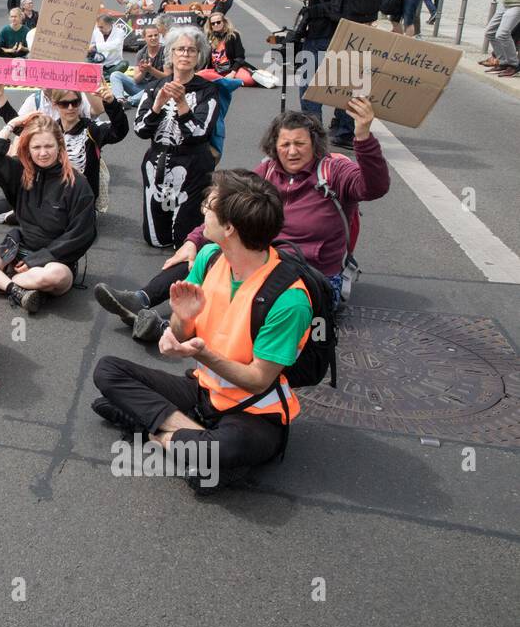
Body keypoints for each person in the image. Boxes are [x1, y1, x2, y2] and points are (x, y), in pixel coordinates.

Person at [96, 100, 388, 343]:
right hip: (267, 260)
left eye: (300, 143)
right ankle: (141, 299)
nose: (292, 151)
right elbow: (227, 207)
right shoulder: (269, 170)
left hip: (314, 276)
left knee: (254, 305)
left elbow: (374, 187)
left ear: (315, 144)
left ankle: (167, 329)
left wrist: (363, 136)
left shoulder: (334, 170)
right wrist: (192, 240)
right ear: (274, 145)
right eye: (285, 144)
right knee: (208, 252)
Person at [92, 170, 313, 484]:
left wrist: (204, 354)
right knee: (107, 370)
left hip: (253, 413)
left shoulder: (289, 301)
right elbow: (181, 333)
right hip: (203, 392)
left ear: (230, 228)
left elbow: (257, 381)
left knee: (228, 447)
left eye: (210, 208)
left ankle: (162, 434)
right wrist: (179, 323)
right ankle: (193, 444)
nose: (203, 212)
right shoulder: (210, 257)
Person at [0, 113, 96, 313]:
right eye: (36, 147)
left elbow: (82, 235)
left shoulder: (77, 183)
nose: (43, 153)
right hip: (16, 253)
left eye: (49, 146)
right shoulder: (21, 173)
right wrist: (12, 124)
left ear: (60, 147)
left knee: (53, 277)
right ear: (28, 149)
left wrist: (36, 261)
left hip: (54, 261)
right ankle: (15, 288)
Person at [135, 25, 219, 248]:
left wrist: (182, 104)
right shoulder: (155, 88)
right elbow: (140, 129)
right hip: (157, 163)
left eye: (191, 50)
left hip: (192, 164)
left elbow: (200, 132)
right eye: (180, 49)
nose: (185, 54)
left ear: (199, 55)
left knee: (184, 240)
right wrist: (157, 107)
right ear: (170, 53)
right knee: (155, 239)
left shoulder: (207, 91)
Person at [283, 0, 357, 147]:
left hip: (321, 30)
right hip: (349, 31)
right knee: (343, 83)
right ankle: (345, 132)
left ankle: (315, 134)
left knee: (310, 84)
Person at [0, 82, 128, 201]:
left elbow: (118, 132)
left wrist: (112, 103)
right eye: (64, 104)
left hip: (81, 199)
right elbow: (21, 130)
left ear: (80, 104)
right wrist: (0, 96)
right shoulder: (52, 129)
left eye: (75, 103)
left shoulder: (91, 129)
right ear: (55, 105)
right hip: (52, 195)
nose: (70, 108)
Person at [110, 23, 170, 106]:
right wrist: (143, 72)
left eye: (156, 35)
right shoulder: (141, 53)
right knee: (115, 75)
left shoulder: (165, 51)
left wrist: (151, 70)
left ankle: (129, 102)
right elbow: (136, 80)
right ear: (144, 38)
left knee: (152, 89)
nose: (154, 38)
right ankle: (119, 99)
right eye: (150, 36)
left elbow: (167, 78)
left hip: (158, 88)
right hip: (142, 87)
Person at [198, 12, 255, 86]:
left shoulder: (233, 36)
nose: (216, 25)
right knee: (198, 76)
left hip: (232, 69)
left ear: (224, 22)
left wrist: (233, 73)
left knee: (248, 80)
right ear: (211, 26)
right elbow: (205, 59)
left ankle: (224, 80)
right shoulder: (209, 37)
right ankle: (223, 80)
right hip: (216, 70)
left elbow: (240, 57)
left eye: (218, 22)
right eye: (213, 23)